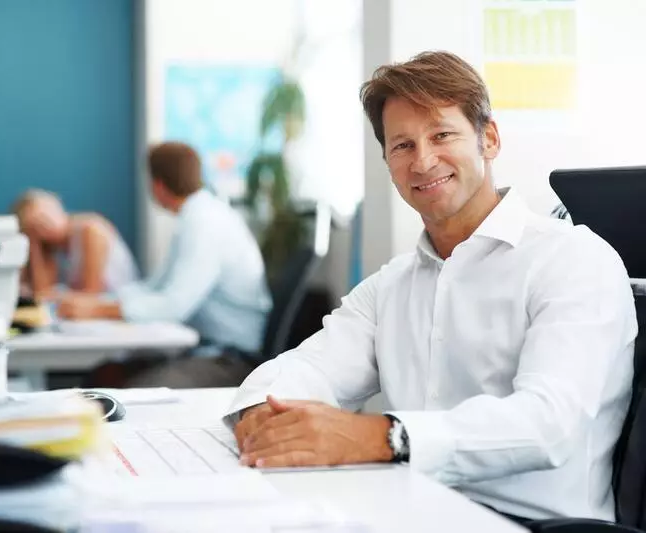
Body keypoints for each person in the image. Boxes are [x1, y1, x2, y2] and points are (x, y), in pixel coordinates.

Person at [229, 51, 637, 524]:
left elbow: (547, 425)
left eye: (442, 135)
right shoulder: (393, 283)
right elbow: (306, 368)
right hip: (408, 512)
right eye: (402, 145)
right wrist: (263, 414)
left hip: (526, 524)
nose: (423, 161)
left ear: (489, 138)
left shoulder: (572, 259)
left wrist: (383, 437)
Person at [58, 142, 272, 387]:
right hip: (203, 348)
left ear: (157, 185)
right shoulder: (195, 217)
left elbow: (174, 305)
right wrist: (99, 302)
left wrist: (97, 311)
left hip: (229, 357)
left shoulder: (205, 223)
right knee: (104, 376)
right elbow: (155, 287)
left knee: (132, 393)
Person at [13, 189, 139, 300]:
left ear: (57, 204)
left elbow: (91, 294)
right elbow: (42, 294)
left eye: (46, 214)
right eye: (36, 226)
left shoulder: (91, 229)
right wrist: (33, 244)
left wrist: (55, 296)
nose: (46, 224)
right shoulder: (55, 249)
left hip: (117, 306)